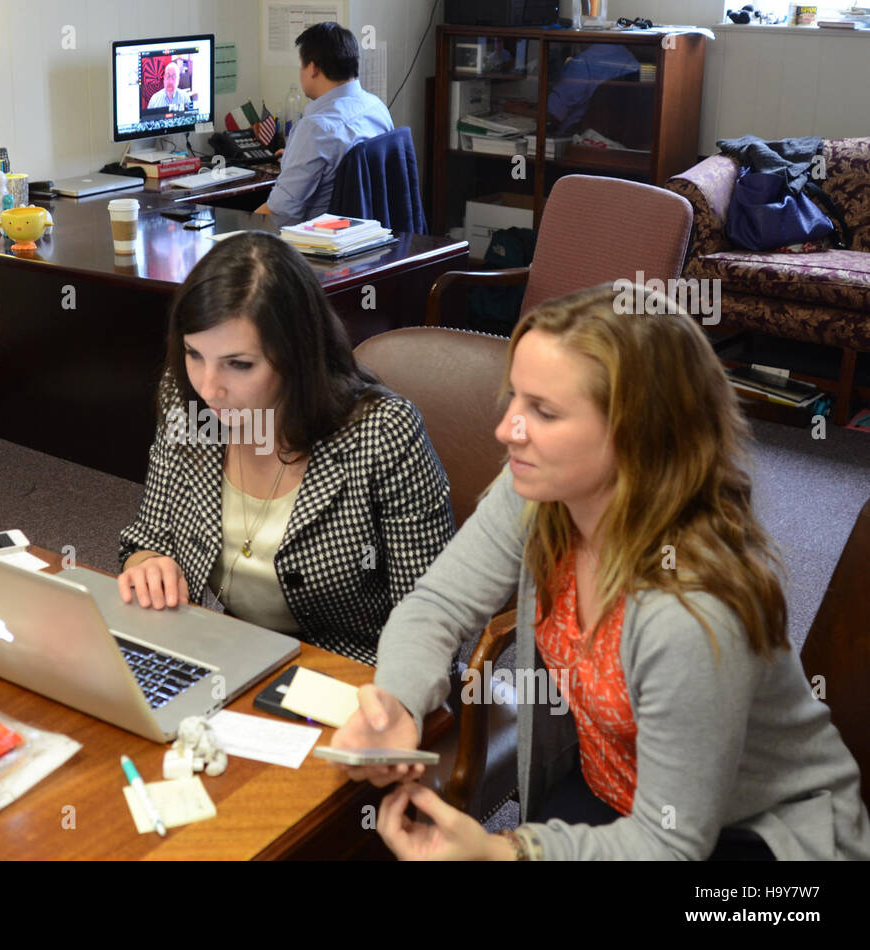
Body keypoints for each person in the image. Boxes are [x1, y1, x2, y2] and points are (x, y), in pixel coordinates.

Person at [331, 283, 870, 859]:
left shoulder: (691, 612)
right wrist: (397, 701)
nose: (506, 429)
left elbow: (671, 843)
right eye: (514, 398)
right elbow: (437, 605)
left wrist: (506, 853)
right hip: (619, 795)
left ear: (637, 433)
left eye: (543, 411)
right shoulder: (540, 498)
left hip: (757, 840)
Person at [117, 231, 454, 666]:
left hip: (359, 670)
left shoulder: (382, 433)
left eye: (239, 364)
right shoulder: (185, 400)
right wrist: (146, 561)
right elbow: (150, 536)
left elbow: (430, 616)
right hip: (235, 652)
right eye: (194, 354)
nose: (209, 388)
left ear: (296, 354)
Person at [254, 22, 392, 220]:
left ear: (313, 68)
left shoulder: (316, 129)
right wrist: (297, 156)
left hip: (317, 242)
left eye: (301, 65)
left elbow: (279, 211)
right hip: (367, 236)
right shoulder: (376, 108)